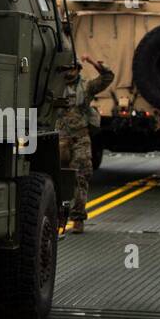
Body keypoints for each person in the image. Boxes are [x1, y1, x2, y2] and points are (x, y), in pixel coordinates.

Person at [57, 56, 115, 233]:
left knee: (81, 178)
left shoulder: (86, 87)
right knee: (57, 180)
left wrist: (95, 63)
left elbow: (108, 77)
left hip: (80, 139)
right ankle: (57, 216)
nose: (71, 71)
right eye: (68, 68)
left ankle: (78, 218)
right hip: (59, 140)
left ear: (79, 70)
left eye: (74, 68)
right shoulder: (53, 87)